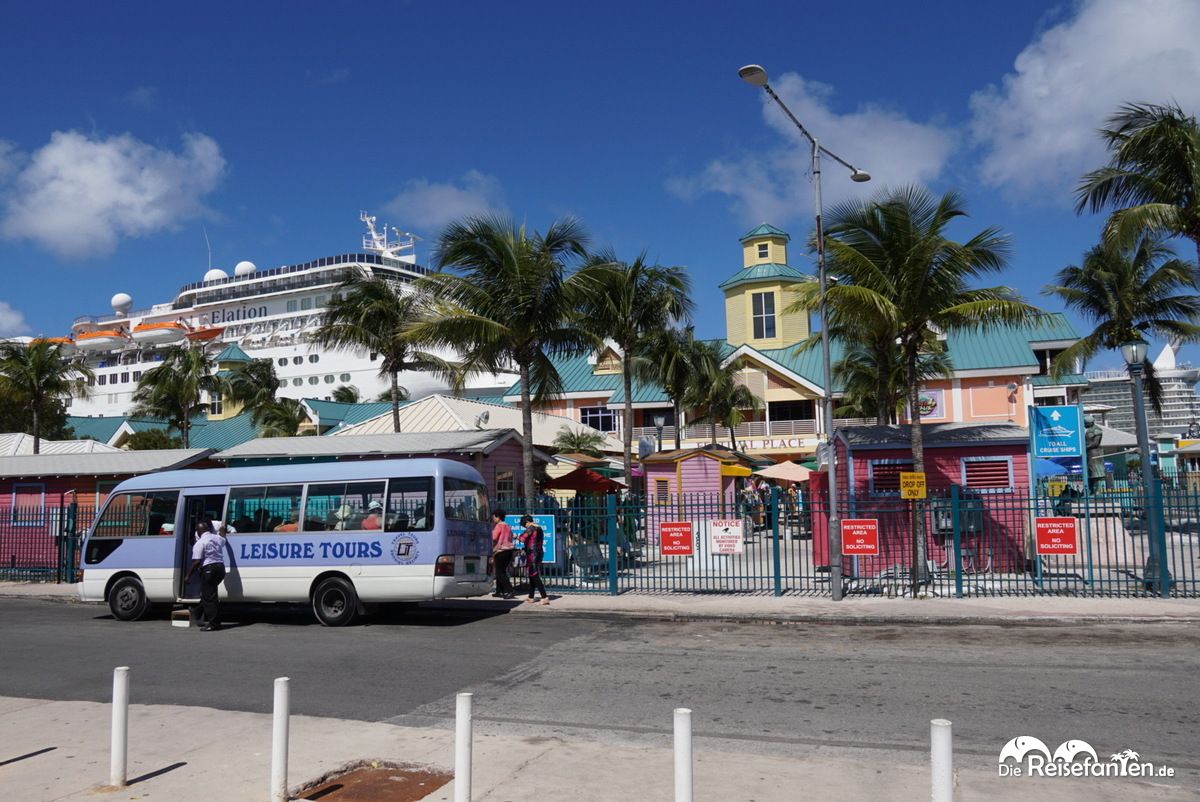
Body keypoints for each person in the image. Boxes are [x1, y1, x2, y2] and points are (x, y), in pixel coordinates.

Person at [185, 520, 228, 631]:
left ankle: (214, 624)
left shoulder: (200, 543)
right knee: (209, 594)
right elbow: (223, 537)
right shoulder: (216, 538)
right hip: (220, 569)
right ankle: (197, 612)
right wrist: (222, 527)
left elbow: (197, 562)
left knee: (210, 598)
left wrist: (188, 575)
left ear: (198, 531)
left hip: (209, 569)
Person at [520, 514, 550, 605]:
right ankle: (531, 596)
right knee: (531, 575)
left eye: (524, 525)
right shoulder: (539, 528)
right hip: (538, 553)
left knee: (534, 575)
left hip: (533, 554)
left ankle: (544, 597)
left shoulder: (531, 528)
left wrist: (516, 537)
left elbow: (522, 538)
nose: (525, 527)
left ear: (528, 522)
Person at [491, 509, 516, 599]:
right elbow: (511, 536)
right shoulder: (508, 526)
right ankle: (499, 591)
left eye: (494, 517)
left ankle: (510, 590)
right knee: (501, 571)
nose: (493, 519)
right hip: (509, 550)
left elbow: (494, 537)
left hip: (501, 550)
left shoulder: (499, 526)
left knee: (500, 572)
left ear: (497, 517)